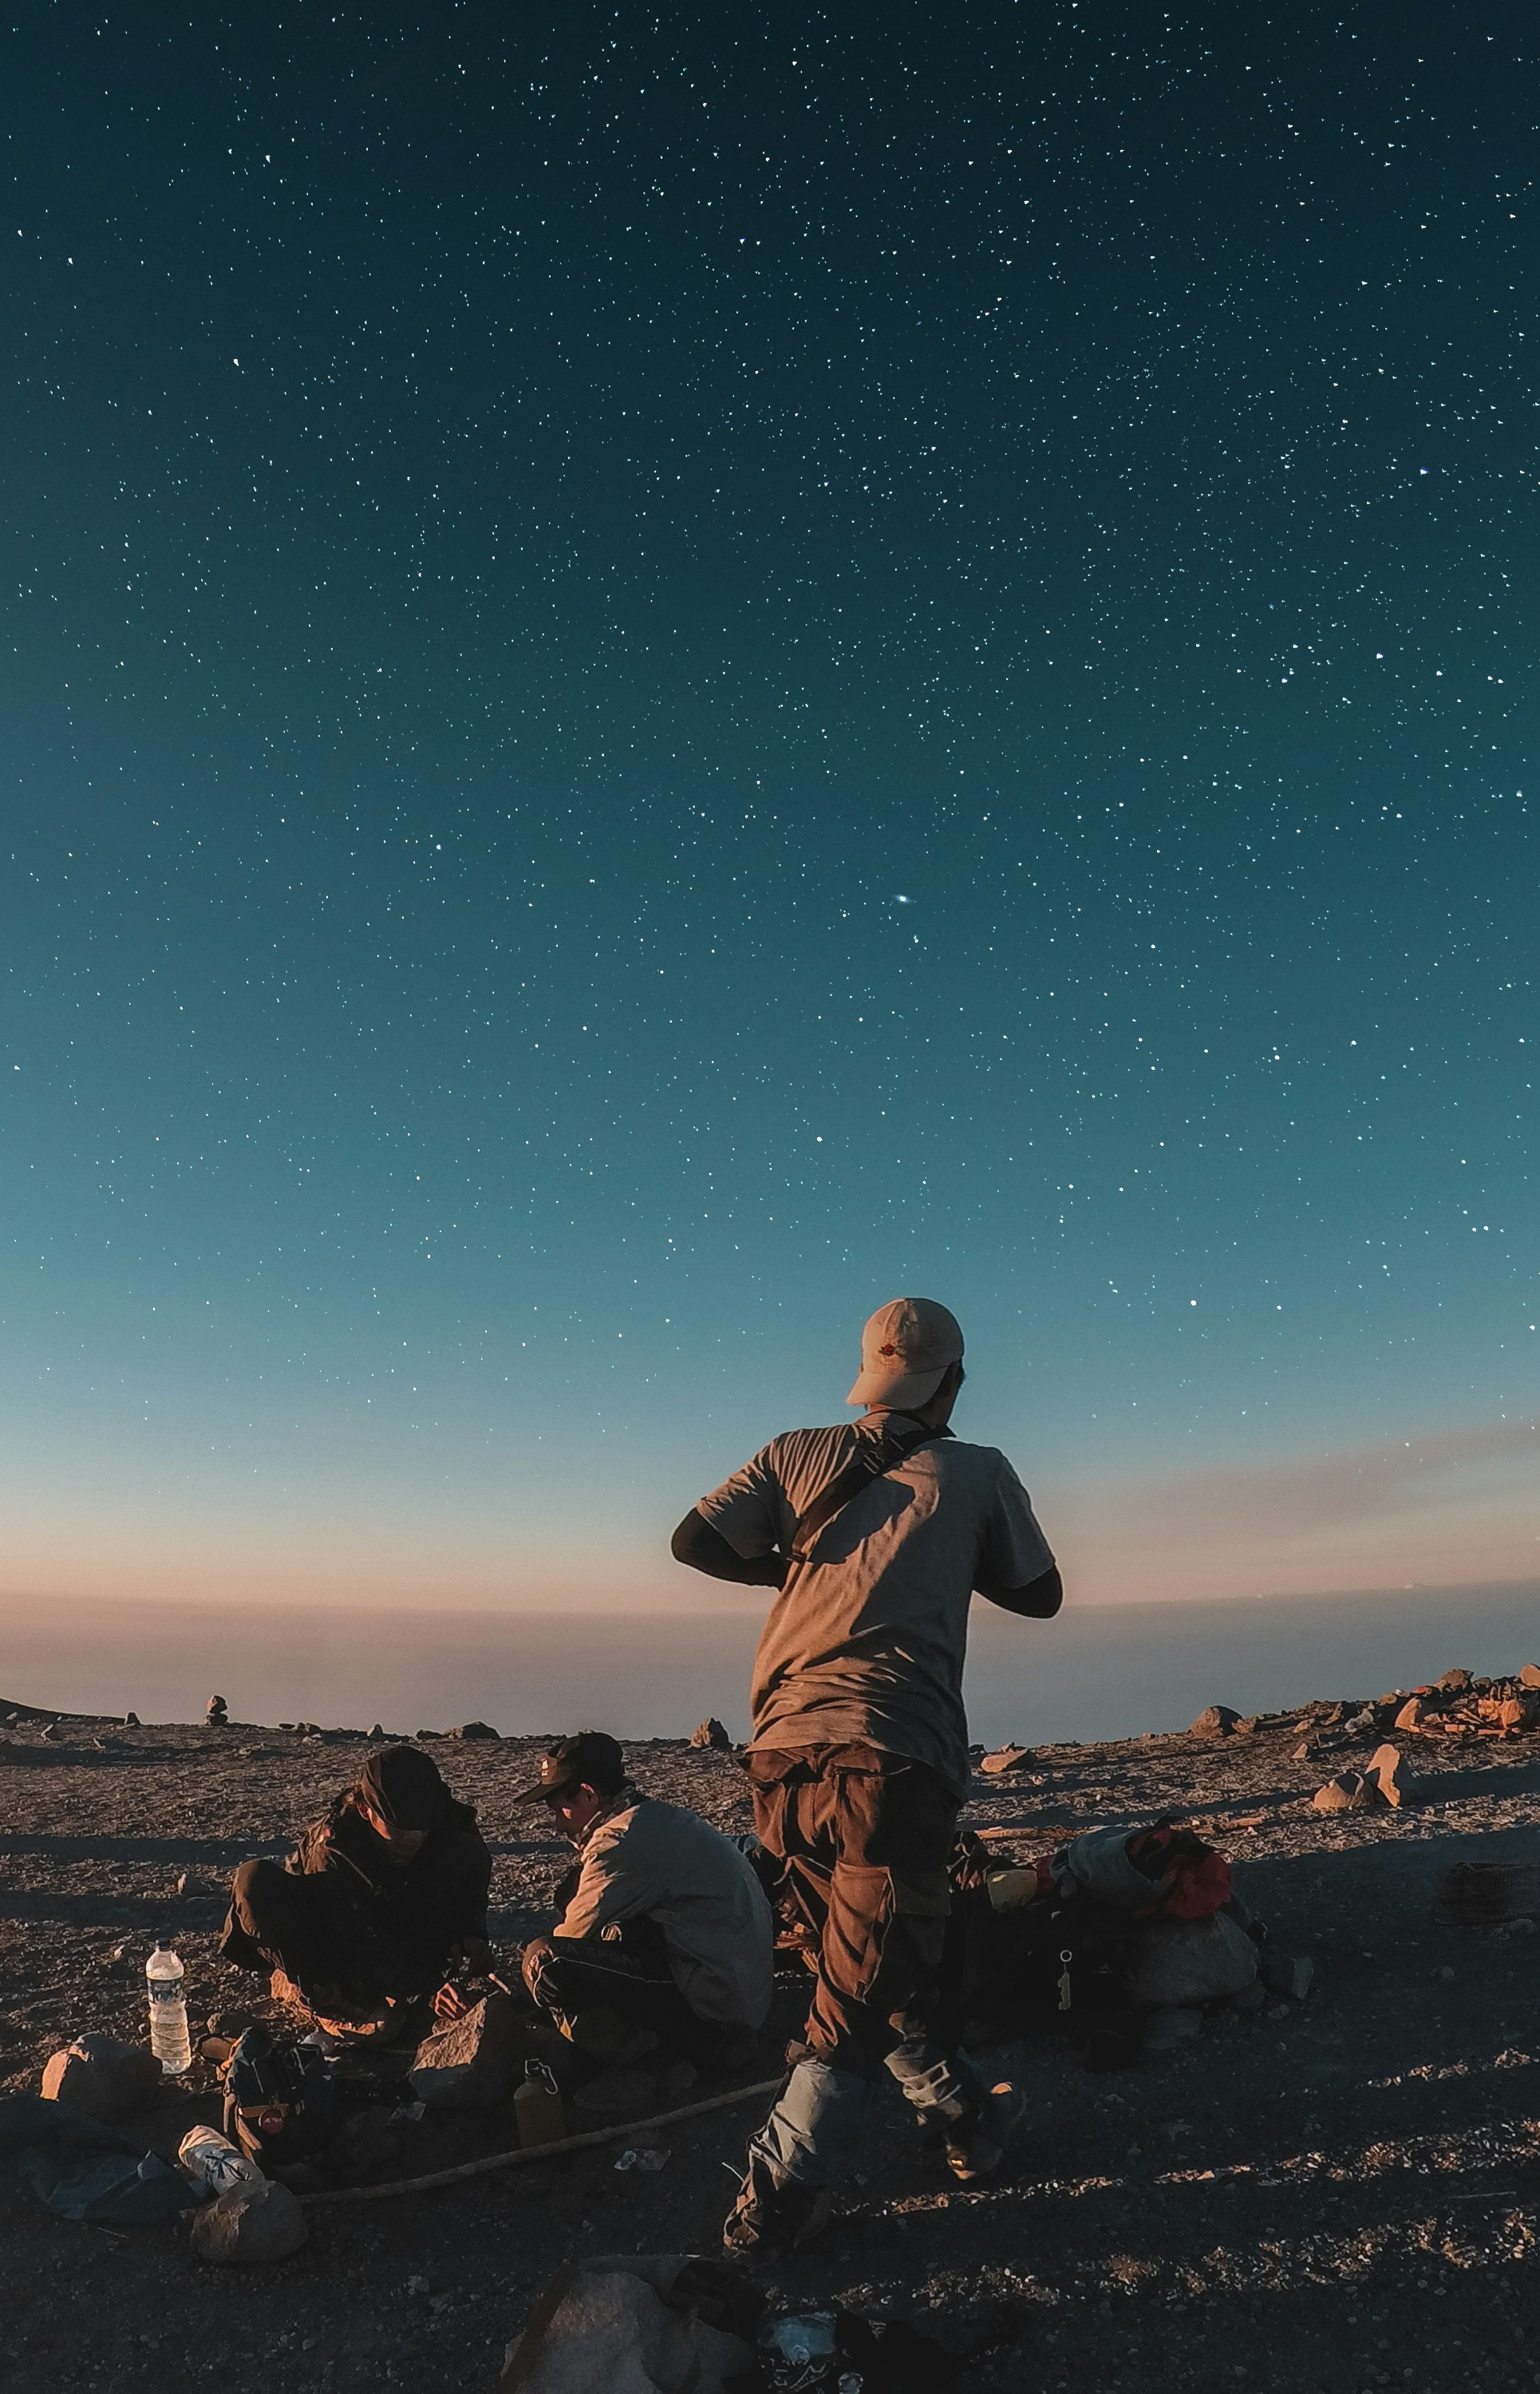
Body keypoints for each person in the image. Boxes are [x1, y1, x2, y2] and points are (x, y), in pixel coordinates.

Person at [671, 1296, 1062, 2255]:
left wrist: (798, 1571)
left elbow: (693, 1540)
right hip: (890, 1760)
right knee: (848, 2002)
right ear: (953, 1380)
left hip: (779, 1762)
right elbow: (1040, 1593)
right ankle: (777, 2197)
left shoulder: (792, 1453)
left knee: (867, 1965)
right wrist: (937, 1554)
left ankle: (966, 2122)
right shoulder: (975, 1471)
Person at [516, 1731, 773, 2071]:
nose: (558, 1825)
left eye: (561, 1810)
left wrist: (519, 1998)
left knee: (545, 1961)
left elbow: (571, 1937)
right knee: (575, 1895)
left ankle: (655, 2064)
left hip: (715, 2009)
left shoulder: (619, 1843)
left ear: (589, 1794)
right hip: (737, 1987)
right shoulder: (655, 1817)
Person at [220, 1744, 493, 2036]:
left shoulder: (450, 1824)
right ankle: (324, 1998)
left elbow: (469, 1894)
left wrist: (470, 1937)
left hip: (394, 1929)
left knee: (463, 1851)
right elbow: (356, 1939)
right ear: (365, 1810)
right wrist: (428, 1989)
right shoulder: (333, 1849)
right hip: (331, 1942)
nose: (413, 1839)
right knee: (255, 1879)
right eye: (398, 1829)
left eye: (422, 1827)